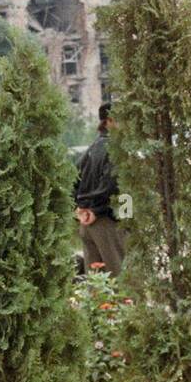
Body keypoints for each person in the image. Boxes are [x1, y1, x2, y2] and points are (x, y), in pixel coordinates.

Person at [74, 103, 124, 277]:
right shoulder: (115, 148)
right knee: (119, 280)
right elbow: (111, 185)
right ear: (109, 121)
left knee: (96, 284)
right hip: (107, 223)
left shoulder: (92, 147)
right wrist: (95, 210)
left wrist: (80, 208)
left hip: (87, 223)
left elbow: (73, 178)